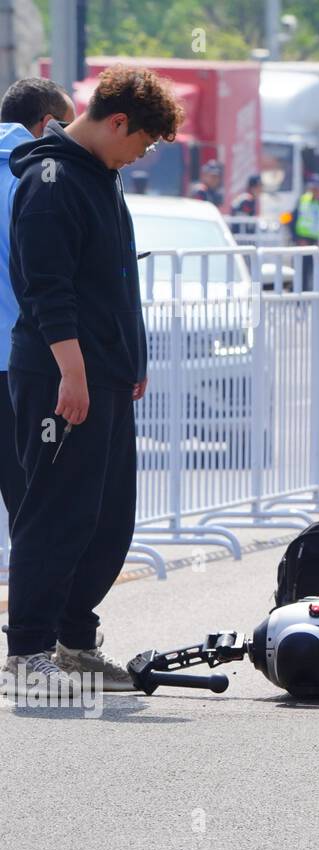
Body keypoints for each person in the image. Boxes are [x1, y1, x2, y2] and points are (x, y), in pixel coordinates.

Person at [0, 66, 184, 699]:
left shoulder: (103, 176)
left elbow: (115, 280)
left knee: (107, 518)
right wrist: (73, 374)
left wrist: (130, 359)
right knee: (54, 513)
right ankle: (27, 652)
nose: (145, 154)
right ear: (117, 122)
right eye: (146, 141)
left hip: (104, 372)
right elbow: (47, 291)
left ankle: (74, 644)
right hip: (59, 375)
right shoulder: (50, 182)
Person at [0, 77, 75, 526]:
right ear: (46, 124)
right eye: (67, 125)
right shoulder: (39, 179)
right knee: (38, 509)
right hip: (23, 365)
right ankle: (43, 599)